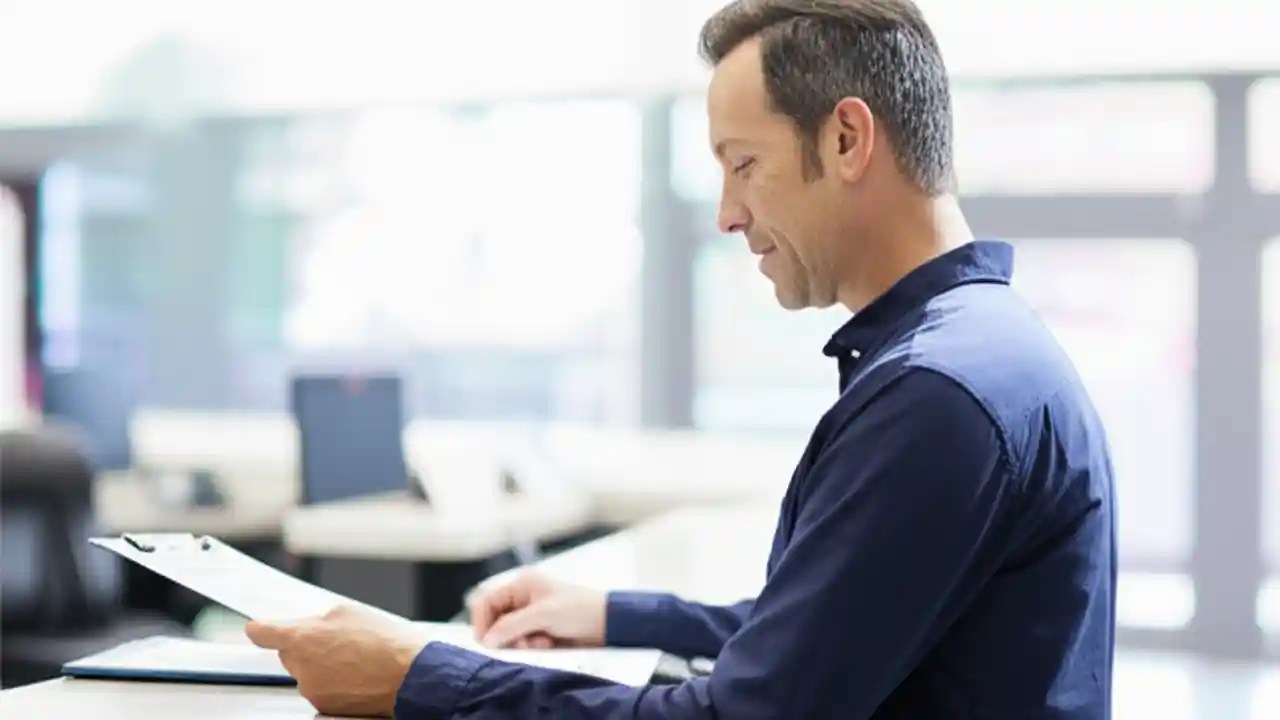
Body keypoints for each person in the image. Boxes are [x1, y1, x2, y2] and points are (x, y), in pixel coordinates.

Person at [246, 0, 1117, 717]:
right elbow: (835, 627)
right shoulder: (988, 352)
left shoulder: (936, 398)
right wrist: (612, 615)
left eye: (745, 164)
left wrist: (419, 679)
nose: (727, 215)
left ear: (849, 140)